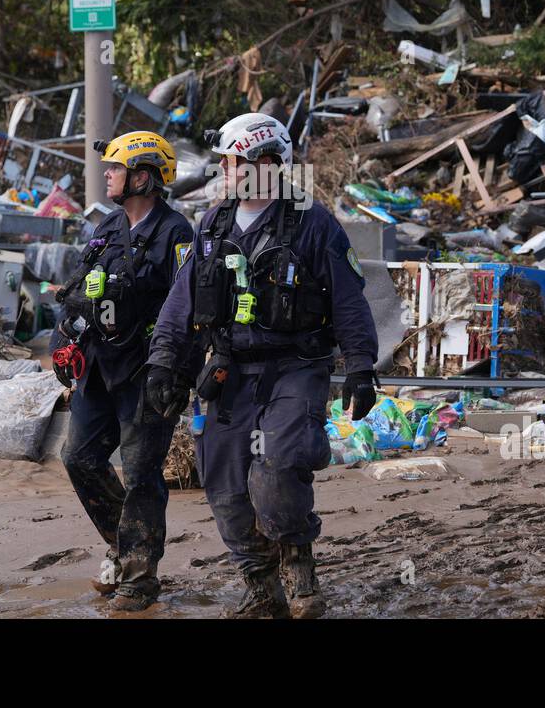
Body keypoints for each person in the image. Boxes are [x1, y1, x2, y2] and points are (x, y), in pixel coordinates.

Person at [144, 113, 379, 618]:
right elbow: (180, 306)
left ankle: (298, 569)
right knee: (224, 485)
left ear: (267, 164)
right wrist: (165, 367)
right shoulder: (211, 225)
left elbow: (350, 303)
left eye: (233, 161)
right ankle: (261, 584)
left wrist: (360, 366)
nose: (224, 171)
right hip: (228, 375)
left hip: (295, 370)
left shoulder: (312, 223)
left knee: (277, 467)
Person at [52, 131, 194, 612]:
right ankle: (125, 545)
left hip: (148, 372)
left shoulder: (178, 234)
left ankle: (138, 576)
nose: (107, 174)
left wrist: (176, 370)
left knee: (140, 474)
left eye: (115, 167)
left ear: (144, 176)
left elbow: (190, 308)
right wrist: (62, 343)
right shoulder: (108, 227)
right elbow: (78, 291)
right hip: (98, 366)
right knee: (80, 459)